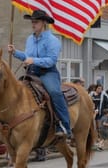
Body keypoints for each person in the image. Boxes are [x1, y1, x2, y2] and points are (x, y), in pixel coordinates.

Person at [7, 9, 70, 138]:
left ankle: (64, 125)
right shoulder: (30, 39)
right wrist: (15, 52)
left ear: (44, 23)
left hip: (47, 72)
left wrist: (33, 60)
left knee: (54, 92)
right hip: (31, 72)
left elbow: (51, 60)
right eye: (32, 22)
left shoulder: (53, 40)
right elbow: (27, 56)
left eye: (35, 22)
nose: (33, 24)